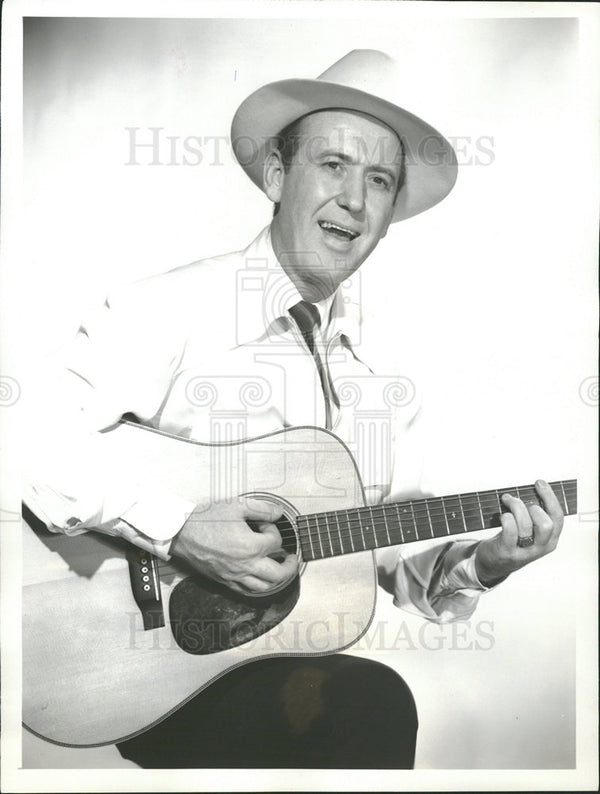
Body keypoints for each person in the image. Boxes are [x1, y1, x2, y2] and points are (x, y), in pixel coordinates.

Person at [23, 50, 564, 769]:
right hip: (147, 661)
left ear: (390, 217)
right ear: (278, 176)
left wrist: (483, 563)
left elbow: (388, 550)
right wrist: (177, 529)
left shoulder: (381, 373)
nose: (355, 200)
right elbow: (25, 440)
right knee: (373, 702)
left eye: (380, 181)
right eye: (334, 165)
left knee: (357, 702)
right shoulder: (169, 307)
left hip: (271, 662)